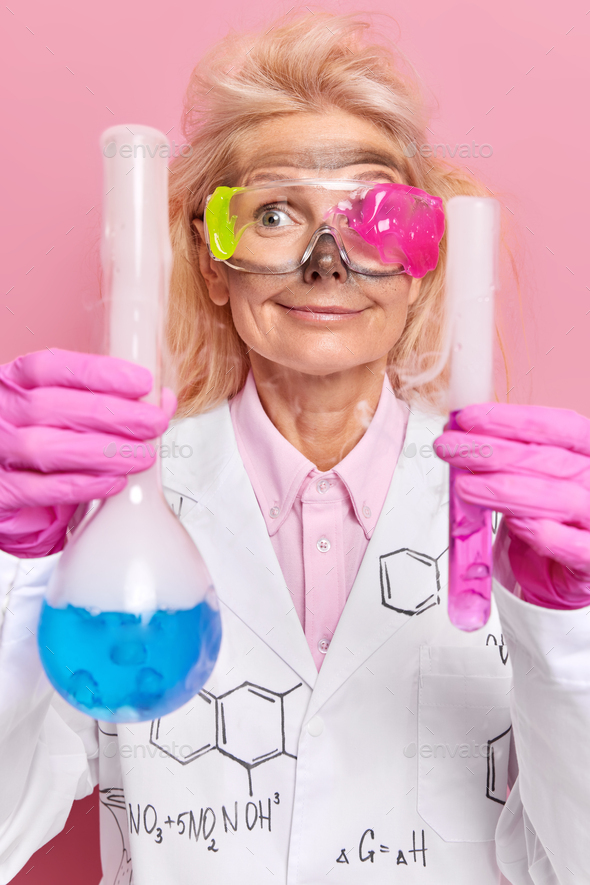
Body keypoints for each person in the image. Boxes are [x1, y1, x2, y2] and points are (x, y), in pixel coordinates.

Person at [1, 10, 590, 885]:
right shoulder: (113, 511)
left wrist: (569, 636)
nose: (328, 262)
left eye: (377, 217)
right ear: (212, 260)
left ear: (425, 258)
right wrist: (12, 566)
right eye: (275, 213)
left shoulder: (536, 520)